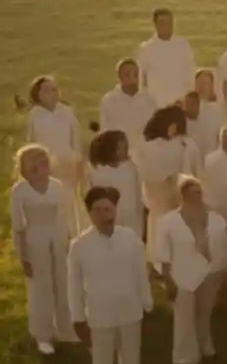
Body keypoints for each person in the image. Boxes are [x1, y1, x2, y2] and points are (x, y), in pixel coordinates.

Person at [69, 186, 153, 364]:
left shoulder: (129, 238)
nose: (104, 214)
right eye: (97, 210)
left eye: (108, 208)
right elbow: (74, 284)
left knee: (130, 357)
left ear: (115, 210)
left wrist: (146, 303)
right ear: (90, 214)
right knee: (102, 362)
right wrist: (77, 318)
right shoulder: (80, 245)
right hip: (99, 314)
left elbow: (141, 273)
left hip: (129, 311)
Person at [155, 177, 227, 364]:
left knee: (204, 312)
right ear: (182, 196)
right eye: (193, 192)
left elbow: (225, 244)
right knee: (184, 316)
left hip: (210, 271)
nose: (197, 196)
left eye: (199, 192)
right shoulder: (169, 221)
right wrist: (168, 280)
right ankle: (185, 356)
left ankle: (206, 346)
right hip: (183, 274)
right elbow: (164, 253)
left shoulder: (215, 218)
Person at [11, 145, 77, 355]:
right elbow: (18, 226)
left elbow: (65, 216)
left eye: (45, 162)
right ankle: (43, 335)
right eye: (36, 164)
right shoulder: (20, 191)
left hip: (56, 238)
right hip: (35, 241)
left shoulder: (56, 186)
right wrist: (23, 256)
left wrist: (68, 240)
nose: (42, 168)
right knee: (41, 287)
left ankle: (65, 328)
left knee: (63, 282)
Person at [20, 76, 84, 234]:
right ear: (37, 94)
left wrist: (77, 164)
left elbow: (75, 140)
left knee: (69, 204)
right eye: (46, 90)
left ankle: (72, 238)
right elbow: (32, 142)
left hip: (67, 165)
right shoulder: (35, 115)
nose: (51, 93)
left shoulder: (67, 112)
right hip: (45, 168)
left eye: (54, 89)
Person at [137, 105, 196, 265]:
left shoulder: (145, 146)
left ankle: (157, 261)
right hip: (170, 194)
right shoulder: (179, 146)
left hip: (153, 195)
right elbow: (185, 170)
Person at [86, 130, 143, 236]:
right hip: (106, 221)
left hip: (130, 222)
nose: (126, 150)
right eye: (122, 147)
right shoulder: (97, 172)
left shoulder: (131, 168)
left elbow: (137, 197)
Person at [136, 7, 196, 107]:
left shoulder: (183, 45)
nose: (167, 26)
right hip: (156, 104)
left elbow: (191, 71)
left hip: (181, 102)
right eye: (163, 23)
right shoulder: (146, 48)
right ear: (156, 25)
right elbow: (141, 78)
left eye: (170, 22)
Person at [99, 58, 158, 152]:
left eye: (135, 74)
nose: (132, 78)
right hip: (118, 154)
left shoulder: (149, 99)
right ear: (119, 77)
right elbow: (105, 130)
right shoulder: (109, 100)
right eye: (127, 74)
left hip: (144, 153)